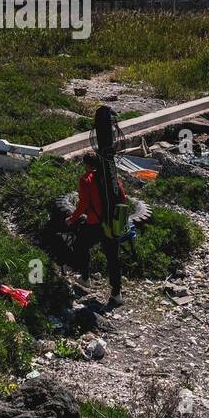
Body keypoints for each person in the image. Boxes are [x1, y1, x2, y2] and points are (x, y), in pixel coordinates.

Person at [67, 106, 129, 309]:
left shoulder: (86, 180)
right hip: (113, 222)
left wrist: (72, 219)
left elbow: (84, 204)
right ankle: (116, 294)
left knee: (81, 245)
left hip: (95, 223)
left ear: (87, 165)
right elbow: (123, 197)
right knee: (113, 258)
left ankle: (85, 278)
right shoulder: (112, 176)